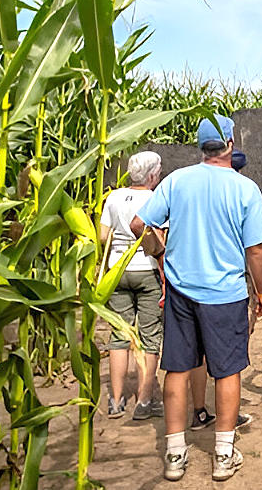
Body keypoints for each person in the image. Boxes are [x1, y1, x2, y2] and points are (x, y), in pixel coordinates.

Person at [131, 116, 262, 482]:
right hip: (224, 294)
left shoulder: (177, 181)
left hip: (180, 292)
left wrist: (158, 253)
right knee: (227, 371)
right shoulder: (244, 189)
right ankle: (223, 452)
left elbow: (138, 225)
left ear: (201, 146)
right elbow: (257, 251)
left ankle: (175, 453)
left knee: (177, 368)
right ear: (230, 143)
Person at [99, 151, 164, 420]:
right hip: (146, 270)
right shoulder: (155, 198)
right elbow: (158, 237)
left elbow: (103, 236)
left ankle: (115, 401)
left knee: (119, 335)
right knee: (149, 337)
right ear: (151, 175)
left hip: (117, 271)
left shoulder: (113, 197)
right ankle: (144, 401)